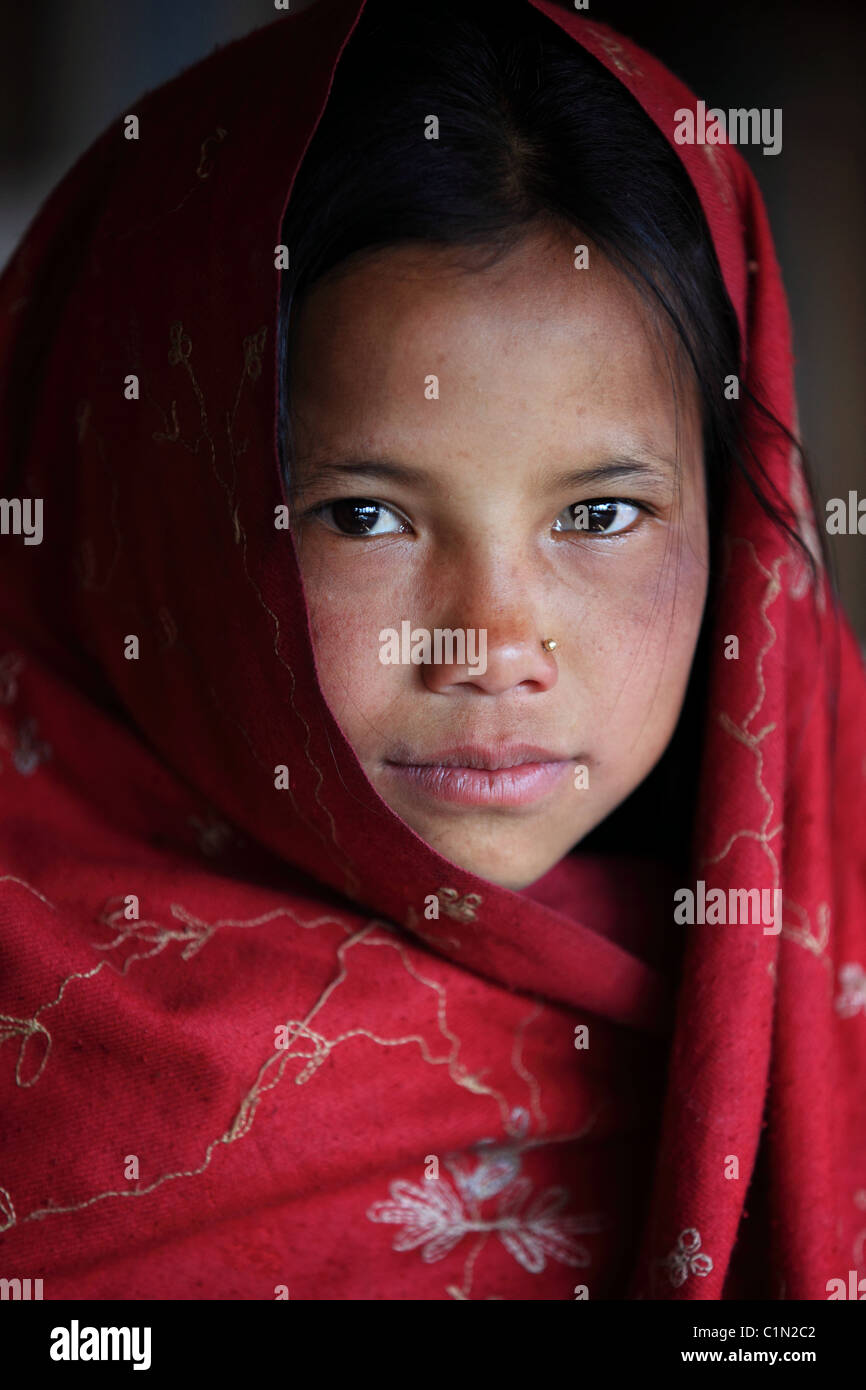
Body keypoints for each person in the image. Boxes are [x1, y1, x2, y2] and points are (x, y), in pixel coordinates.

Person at [0, 0, 863, 1301]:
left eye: (599, 513)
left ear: (737, 523)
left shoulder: (810, 999)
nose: (495, 644)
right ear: (147, 515)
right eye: (365, 515)